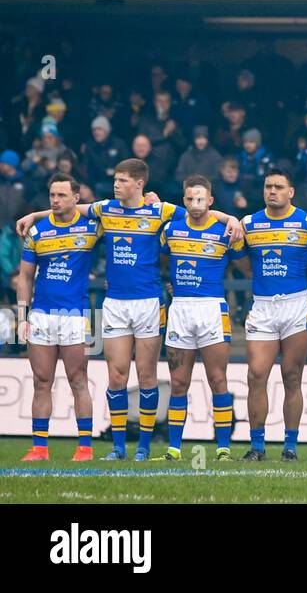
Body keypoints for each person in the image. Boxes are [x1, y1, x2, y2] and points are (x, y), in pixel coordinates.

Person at [15, 158, 243, 461]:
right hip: (115, 304)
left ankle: (144, 447)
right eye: (115, 180)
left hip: (149, 302)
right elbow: (69, 208)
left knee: (147, 376)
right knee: (117, 376)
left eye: (122, 181)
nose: (116, 185)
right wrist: (34, 214)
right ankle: (118, 447)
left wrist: (229, 218)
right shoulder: (106, 209)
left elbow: (197, 211)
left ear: (139, 184)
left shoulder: (160, 210)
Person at [229, 170, 307, 461]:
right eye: (268, 186)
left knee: (292, 375)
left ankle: (290, 446)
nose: (272, 191)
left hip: (297, 304)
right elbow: (241, 259)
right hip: (263, 305)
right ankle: (257, 445)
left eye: (279, 187)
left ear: (291, 192)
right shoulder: (249, 223)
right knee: (256, 375)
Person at [158, 175, 242, 461]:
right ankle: (173, 448)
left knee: (217, 379)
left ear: (211, 201)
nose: (195, 204)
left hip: (211, 310)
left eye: (201, 199)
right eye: (190, 199)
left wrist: (235, 221)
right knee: (178, 382)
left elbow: (245, 266)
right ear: (184, 201)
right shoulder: (171, 230)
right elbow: (161, 262)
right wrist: (171, 283)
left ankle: (222, 447)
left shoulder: (225, 231)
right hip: (180, 309)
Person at [17, 173, 97, 462]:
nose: (55, 200)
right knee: (41, 381)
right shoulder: (37, 233)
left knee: (78, 379)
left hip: (75, 315)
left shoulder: (91, 228)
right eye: (52, 195)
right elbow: (25, 277)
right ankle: (39, 448)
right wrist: (22, 314)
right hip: (41, 315)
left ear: (77, 198)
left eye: (62, 195)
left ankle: (85, 448)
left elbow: (119, 213)